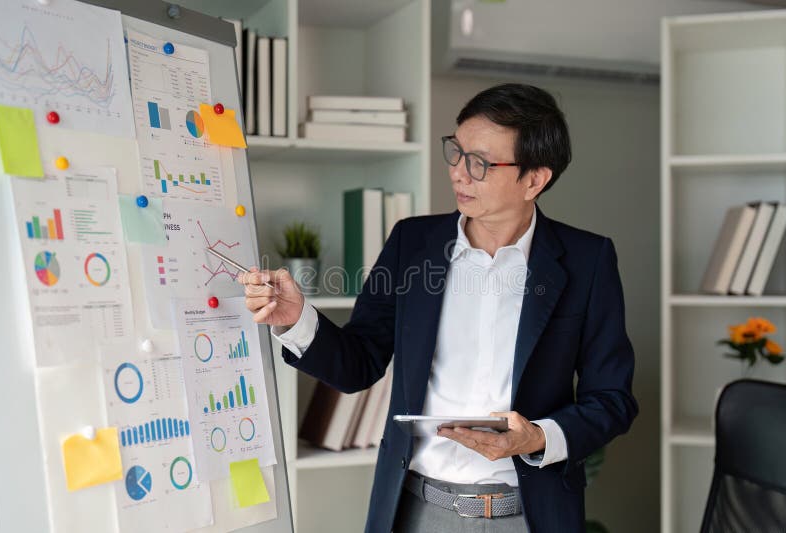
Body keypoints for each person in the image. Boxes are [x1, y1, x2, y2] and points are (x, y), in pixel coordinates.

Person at [240, 83, 638, 533]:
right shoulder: (412, 243)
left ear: (534, 180)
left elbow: (612, 399)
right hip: (417, 511)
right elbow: (359, 364)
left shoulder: (587, 260)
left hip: (529, 515)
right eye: (457, 151)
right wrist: (296, 320)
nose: (458, 174)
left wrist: (537, 437)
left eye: (480, 163)